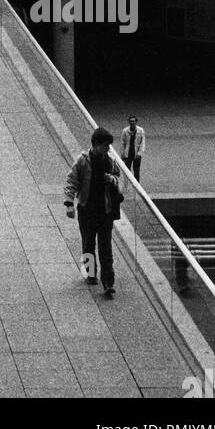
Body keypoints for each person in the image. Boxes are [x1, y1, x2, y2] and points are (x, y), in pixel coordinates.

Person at [64, 126, 125, 299]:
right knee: (88, 244)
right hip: (87, 210)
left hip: (105, 212)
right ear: (96, 144)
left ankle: (108, 283)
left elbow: (118, 178)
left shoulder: (110, 161)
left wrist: (111, 179)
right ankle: (91, 274)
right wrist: (69, 203)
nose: (108, 149)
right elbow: (72, 180)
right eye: (106, 145)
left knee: (106, 248)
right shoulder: (83, 160)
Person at [120, 115, 146, 182]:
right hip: (127, 153)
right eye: (131, 121)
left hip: (136, 153)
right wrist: (122, 154)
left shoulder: (140, 130)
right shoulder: (125, 130)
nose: (132, 123)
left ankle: (137, 185)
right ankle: (125, 184)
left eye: (133, 121)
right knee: (126, 171)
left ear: (136, 122)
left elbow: (142, 143)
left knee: (136, 171)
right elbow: (122, 143)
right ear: (129, 122)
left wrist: (139, 154)